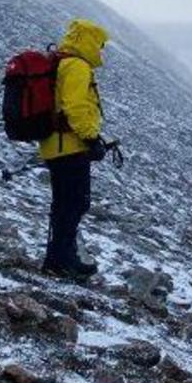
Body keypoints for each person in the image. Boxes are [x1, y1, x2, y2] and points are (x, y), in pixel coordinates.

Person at [40, 19, 110, 279]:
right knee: (75, 202)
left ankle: (56, 258)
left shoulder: (62, 62)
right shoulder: (78, 66)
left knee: (64, 203)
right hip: (69, 146)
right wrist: (91, 139)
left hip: (56, 146)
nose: (101, 50)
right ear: (88, 41)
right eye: (100, 44)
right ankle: (63, 260)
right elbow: (76, 107)